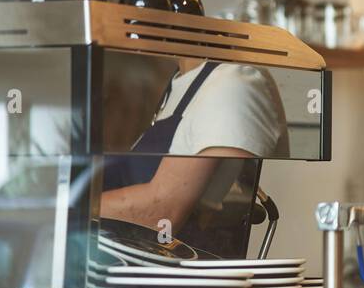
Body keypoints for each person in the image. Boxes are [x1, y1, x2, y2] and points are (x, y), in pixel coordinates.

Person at [100, 57, 289, 253]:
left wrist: (72, 208)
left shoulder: (232, 82)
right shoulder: (179, 84)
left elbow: (163, 213)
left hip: (185, 275)